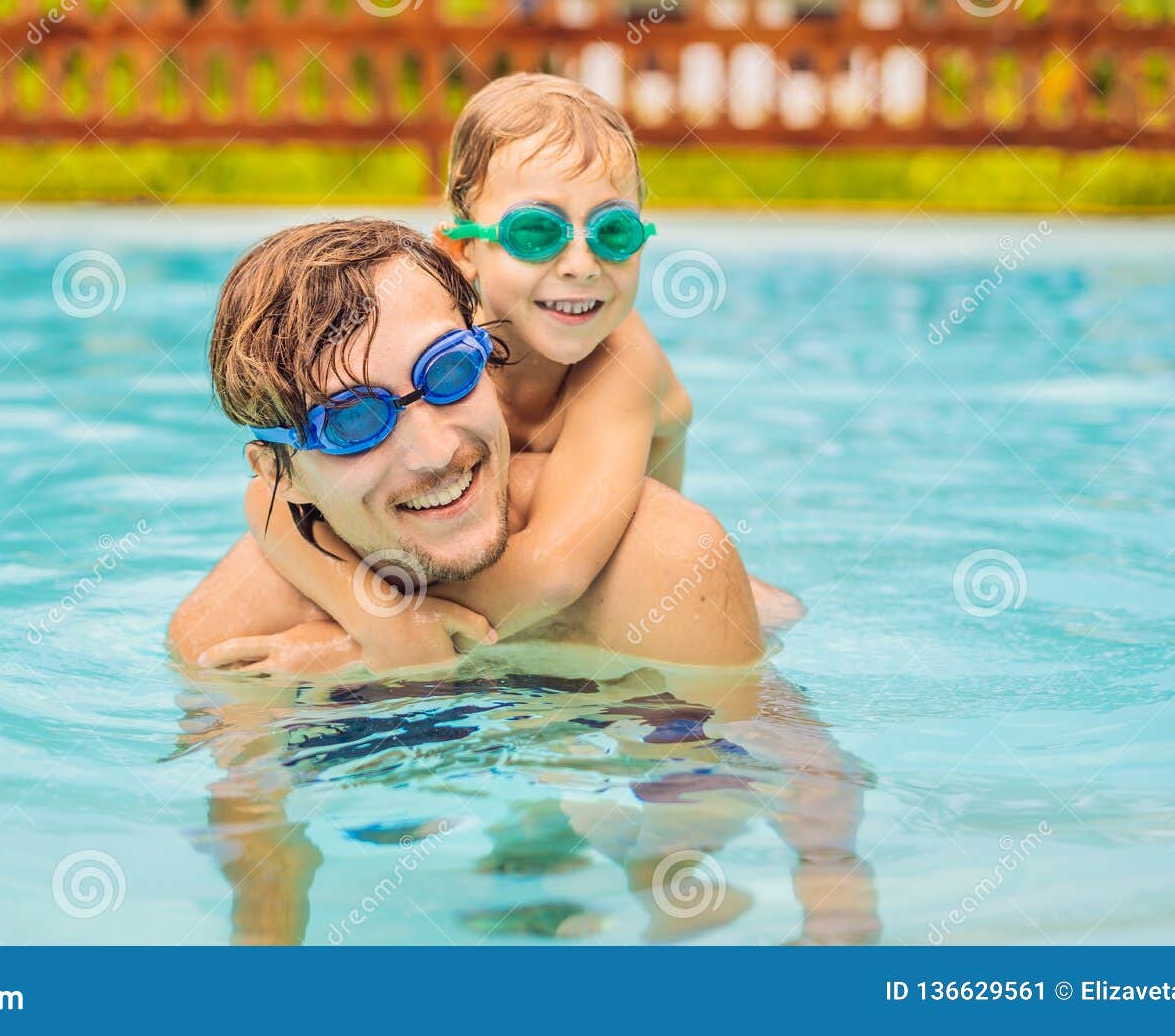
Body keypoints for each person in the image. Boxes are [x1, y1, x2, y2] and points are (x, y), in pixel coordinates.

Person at [231, 73, 800, 673]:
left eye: (614, 231)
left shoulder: (625, 361)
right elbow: (268, 488)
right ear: (462, 249)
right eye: (536, 233)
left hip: (630, 581)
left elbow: (554, 573)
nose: (582, 265)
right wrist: (372, 613)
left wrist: (363, 644)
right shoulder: (438, 351)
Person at [168, 217, 770, 676]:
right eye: (353, 421)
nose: (432, 453)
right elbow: (255, 834)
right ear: (280, 474)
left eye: (450, 372)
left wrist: (369, 638)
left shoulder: (665, 568)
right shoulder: (233, 637)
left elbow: (766, 785)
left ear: (490, 361)